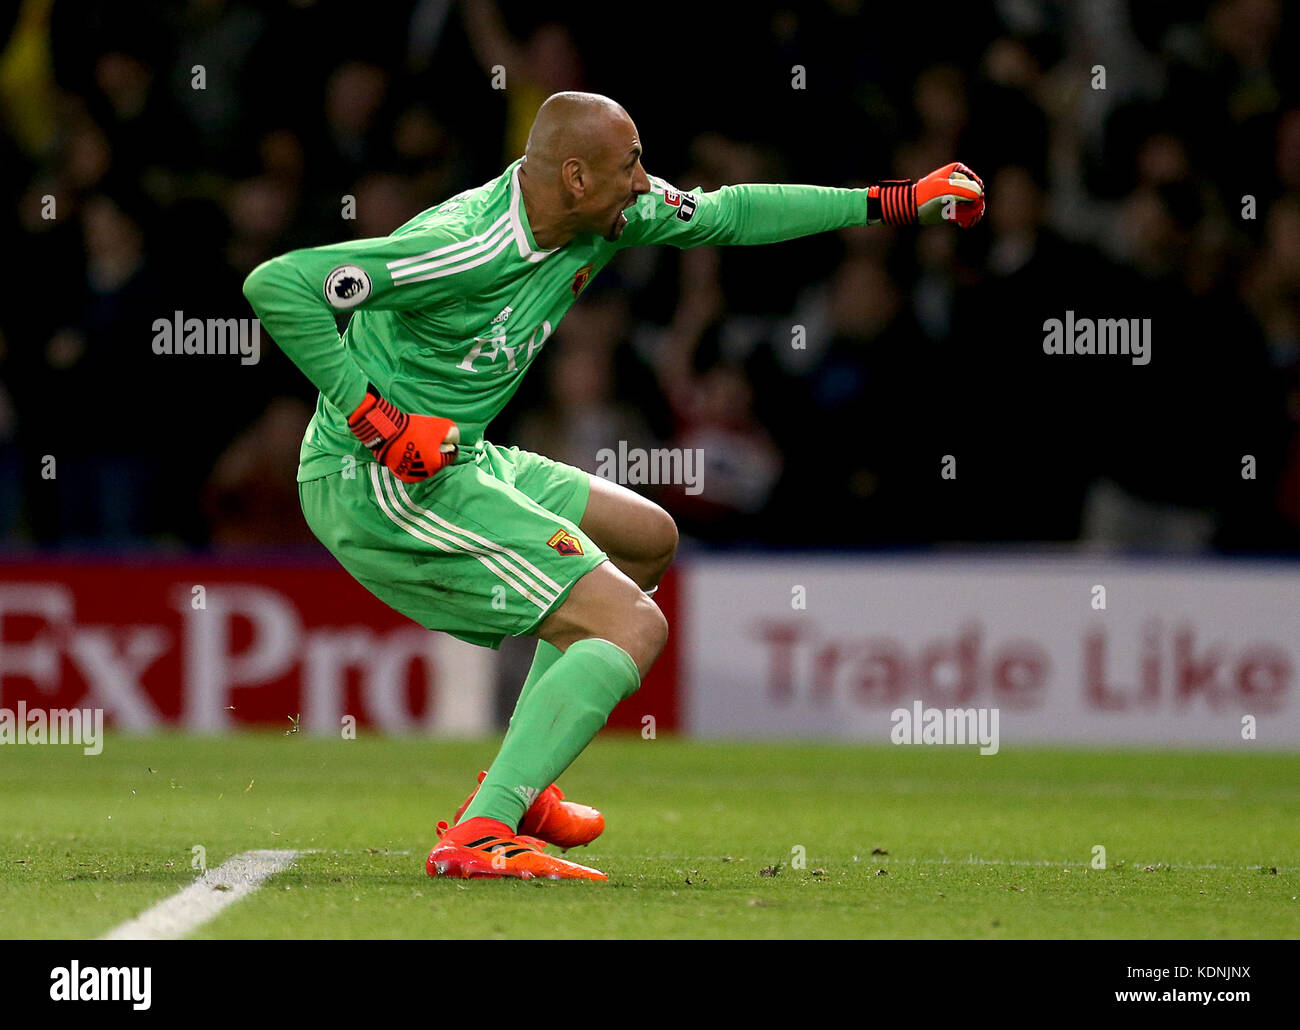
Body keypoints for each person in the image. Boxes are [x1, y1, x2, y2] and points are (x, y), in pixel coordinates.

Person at [242, 91, 985, 881]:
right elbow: (280, 286)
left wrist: (894, 201)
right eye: (628, 164)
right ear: (574, 178)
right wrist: (377, 420)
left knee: (647, 540)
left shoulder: (612, 213)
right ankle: (480, 833)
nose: (643, 181)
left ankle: (518, 795)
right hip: (380, 481)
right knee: (635, 627)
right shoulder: (463, 246)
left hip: (460, 455)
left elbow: (730, 213)